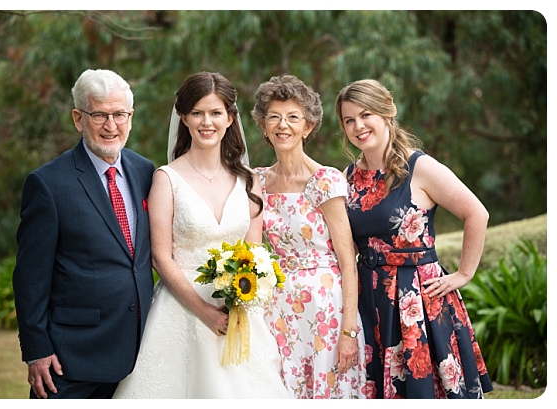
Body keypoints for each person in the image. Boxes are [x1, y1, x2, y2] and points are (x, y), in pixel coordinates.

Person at [114, 72, 289, 399]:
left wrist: (241, 302)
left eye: (215, 113)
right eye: (197, 113)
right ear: (183, 117)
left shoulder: (250, 181)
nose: (206, 122)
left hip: (237, 310)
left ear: (230, 118)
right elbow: (160, 256)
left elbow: (254, 254)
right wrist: (204, 311)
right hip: (181, 311)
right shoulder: (167, 179)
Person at [337, 79, 492, 399]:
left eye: (366, 115)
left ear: (386, 114)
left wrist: (464, 274)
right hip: (369, 297)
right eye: (349, 120)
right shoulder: (348, 177)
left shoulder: (419, 167)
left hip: (417, 298)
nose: (358, 126)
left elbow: (477, 213)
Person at [12, 69, 155, 399]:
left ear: (130, 117)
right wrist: (36, 350)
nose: (111, 125)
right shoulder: (48, 184)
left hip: (141, 350)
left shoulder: (146, 172)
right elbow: (31, 276)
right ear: (79, 118)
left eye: (119, 114)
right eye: (99, 114)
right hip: (70, 359)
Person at [250, 74, 363, 398]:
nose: (282, 125)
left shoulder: (325, 181)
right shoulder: (257, 181)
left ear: (308, 126)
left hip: (325, 309)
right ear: (263, 125)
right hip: (278, 308)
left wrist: (348, 332)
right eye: (274, 116)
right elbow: (253, 249)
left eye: (293, 117)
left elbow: (348, 262)